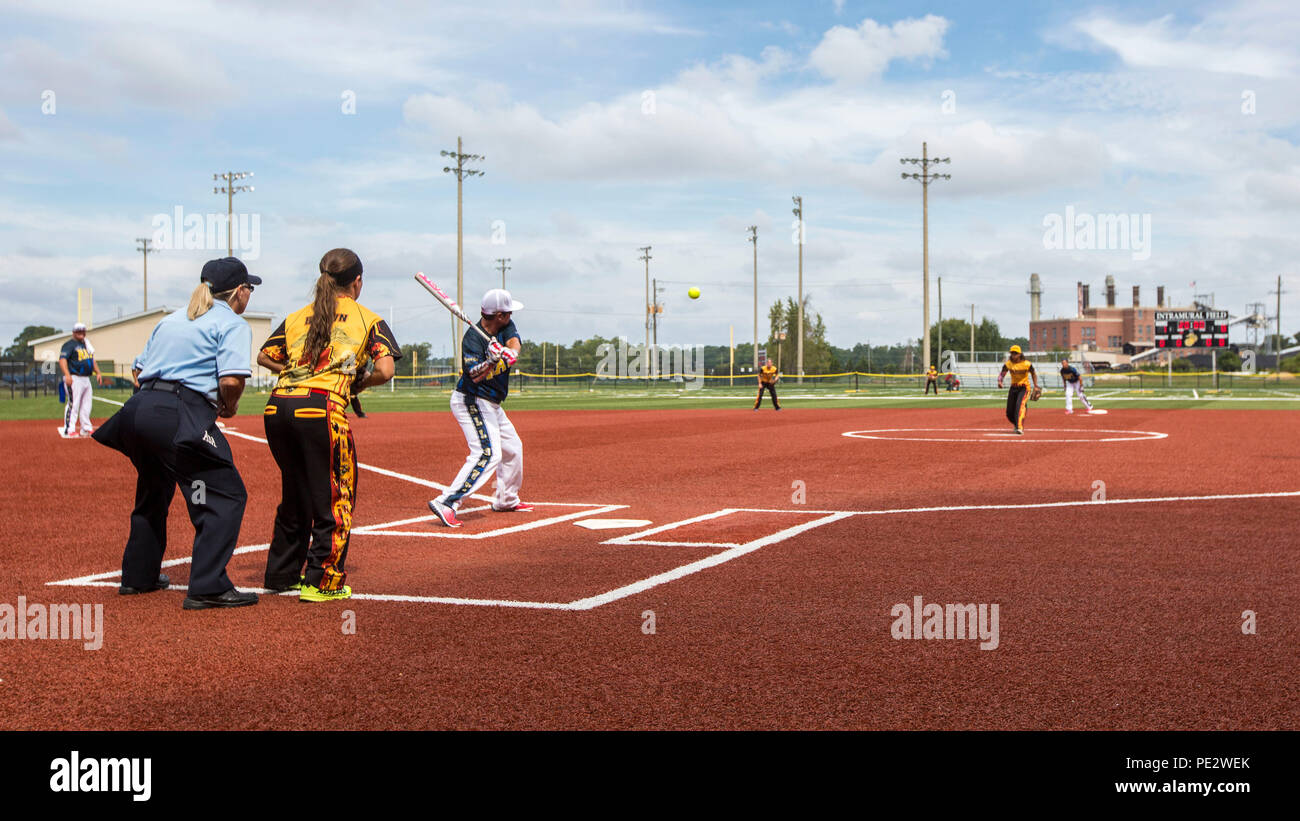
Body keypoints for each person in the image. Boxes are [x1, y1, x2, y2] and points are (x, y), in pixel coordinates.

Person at [91, 258, 261, 609]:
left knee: (154, 488)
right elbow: (231, 379)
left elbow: (139, 370)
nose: (250, 295)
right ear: (239, 293)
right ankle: (208, 585)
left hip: (137, 410)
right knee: (225, 494)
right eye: (250, 288)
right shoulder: (232, 323)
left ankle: (138, 577)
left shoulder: (171, 320)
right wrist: (227, 406)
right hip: (180, 412)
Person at [256, 248, 399, 602]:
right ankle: (323, 581)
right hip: (321, 410)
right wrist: (356, 382)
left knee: (297, 491)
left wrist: (298, 373)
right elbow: (385, 369)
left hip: (278, 408)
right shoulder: (368, 318)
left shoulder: (296, 317)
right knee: (336, 496)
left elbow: (264, 356)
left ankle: (281, 574)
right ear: (358, 282)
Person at [427, 288, 530, 528]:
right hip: (472, 399)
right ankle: (447, 502)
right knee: (488, 453)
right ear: (499, 315)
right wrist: (491, 360)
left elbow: (515, 342)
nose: (511, 315)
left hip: (492, 402)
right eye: (508, 312)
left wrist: (509, 353)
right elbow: (474, 376)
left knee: (513, 448)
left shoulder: (505, 326)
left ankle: (506, 499)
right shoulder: (472, 340)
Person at [60, 322, 103, 437]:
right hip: (75, 377)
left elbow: (92, 360)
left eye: (82, 331)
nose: (81, 333)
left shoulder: (86, 344)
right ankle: (70, 429)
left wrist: (98, 372)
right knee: (73, 404)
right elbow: (62, 360)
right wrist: (67, 375)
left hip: (86, 379)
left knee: (86, 404)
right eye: (78, 331)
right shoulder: (69, 344)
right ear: (74, 332)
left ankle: (86, 428)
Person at [997, 345, 1040, 435]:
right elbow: (1002, 374)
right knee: (1009, 412)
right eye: (1012, 353)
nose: (1013, 355)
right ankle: (1017, 423)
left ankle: (1019, 427)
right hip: (1013, 387)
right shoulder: (1008, 364)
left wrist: (1036, 386)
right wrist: (1000, 381)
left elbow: (1033, 374)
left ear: (1020, 354)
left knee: (1019, 406)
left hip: (1024, 387)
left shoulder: (1027, 364)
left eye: (1015, 353)